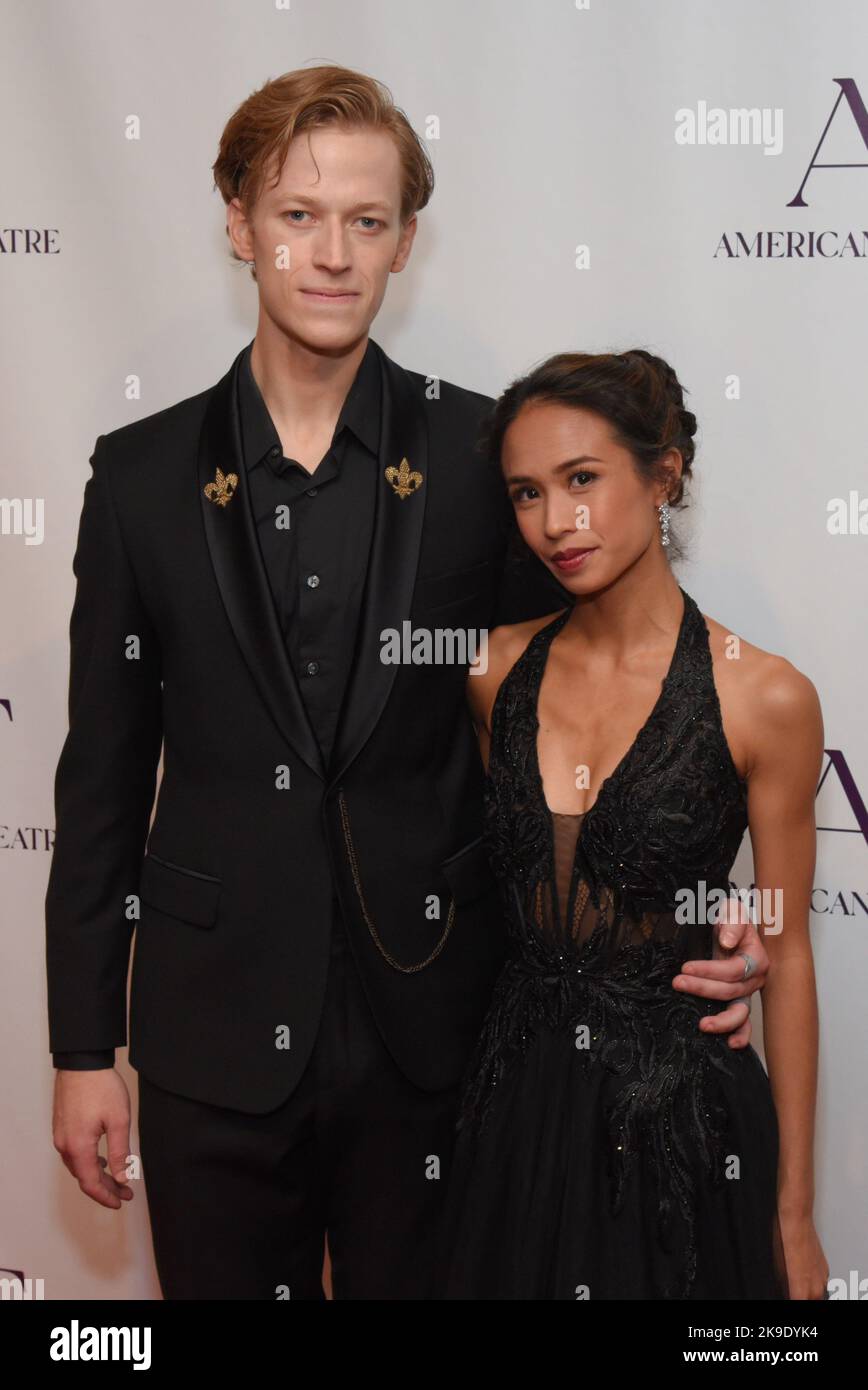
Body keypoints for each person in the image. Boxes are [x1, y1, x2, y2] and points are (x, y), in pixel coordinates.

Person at [46, 67, 767, 1300]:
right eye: (297, 215)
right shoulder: (141, 475)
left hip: (445, 1030)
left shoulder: (489, 457)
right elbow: (101, 778)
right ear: (237, 223)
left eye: (366, 221)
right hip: (208, 1035)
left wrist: (696, 910)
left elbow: (590, 715)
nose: (332, 253)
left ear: (405, 242)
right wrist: (78, 1047)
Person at [436, 348, 829, 1300]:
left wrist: (792, 1213)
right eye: (527, 493)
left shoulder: (764, 695)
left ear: (664, 473)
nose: (555, 523)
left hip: (682, 1125)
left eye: (583, 480)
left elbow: (790, 955)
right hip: (516, 1108)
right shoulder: (493, 672)